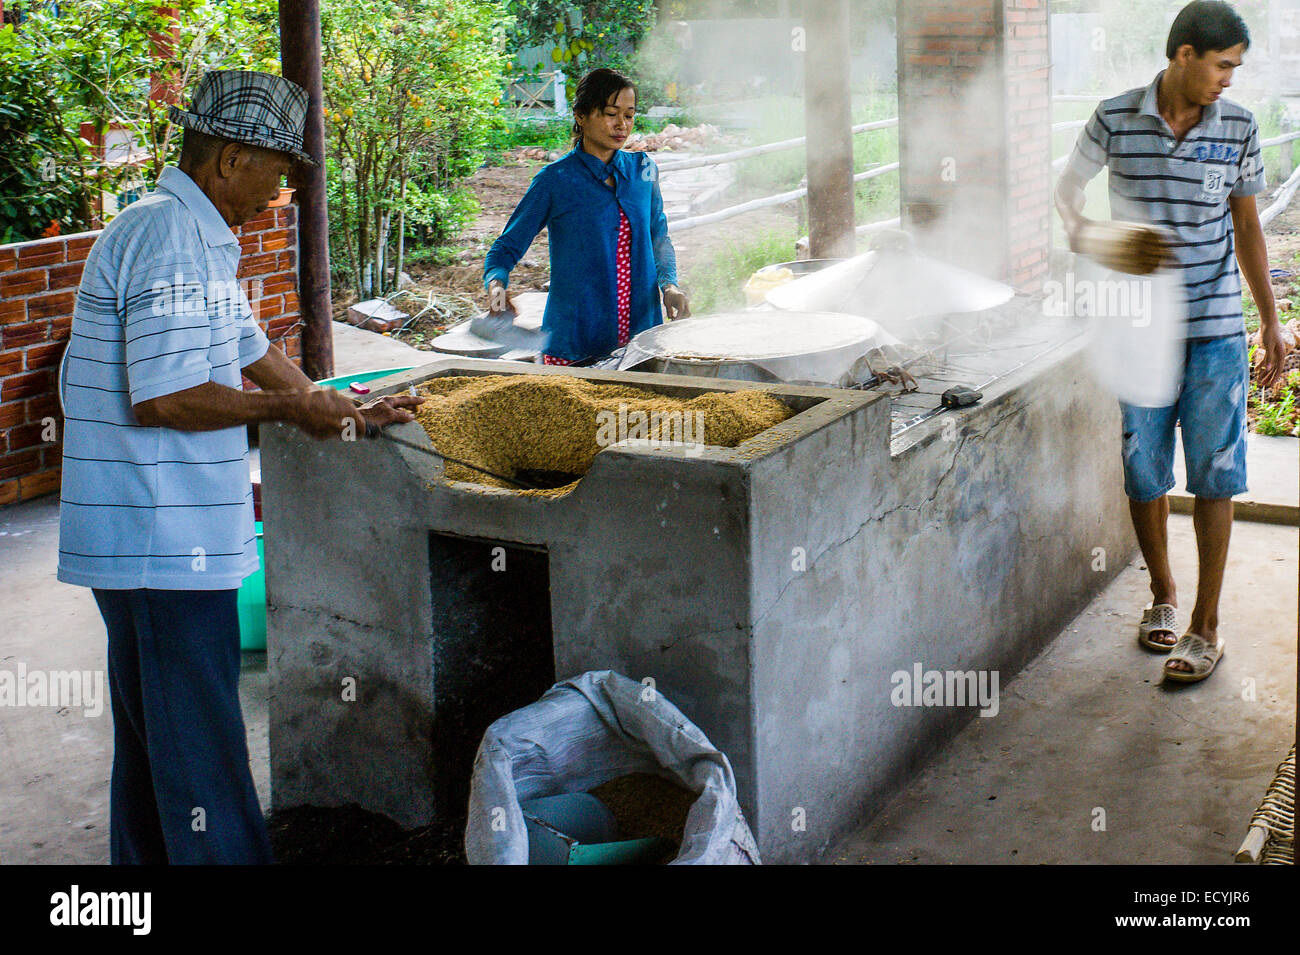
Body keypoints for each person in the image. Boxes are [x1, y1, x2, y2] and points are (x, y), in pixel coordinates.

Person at [56, 69, 422, 863]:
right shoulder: (167, 239)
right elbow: (167, 396)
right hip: (159, 541)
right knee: (202, 759)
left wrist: (346, 408)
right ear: (227, 158)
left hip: (152, 541)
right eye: (277, 169)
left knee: (160, 743)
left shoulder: (190, 234)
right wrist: (294, 411)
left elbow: (250, 349)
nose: (281, 188)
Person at [1055, 1, 1288, 684]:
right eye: (1222, 65)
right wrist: (1087, 233)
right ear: (1183, 54)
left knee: (1217, 472)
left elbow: (1247, 228)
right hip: (1136, 327)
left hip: (1214, 327)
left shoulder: (1239, 126)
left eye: (1236, 69)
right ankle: (1162, 593)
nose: (1229, 80)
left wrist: (1270, 319)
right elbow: (1066, 193)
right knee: (1144, 468)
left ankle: (1205, 625)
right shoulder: (1114, 117)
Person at [484, 68, 690, 366]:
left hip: (641, 341)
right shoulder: (556, 180)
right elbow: (505, 250)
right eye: (610, 113)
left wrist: (669, 284)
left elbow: (658, 236)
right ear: (580, 115)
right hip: (575, 345)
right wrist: (497, 290)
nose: (622, 125)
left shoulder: (643, 169)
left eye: (629, 115)